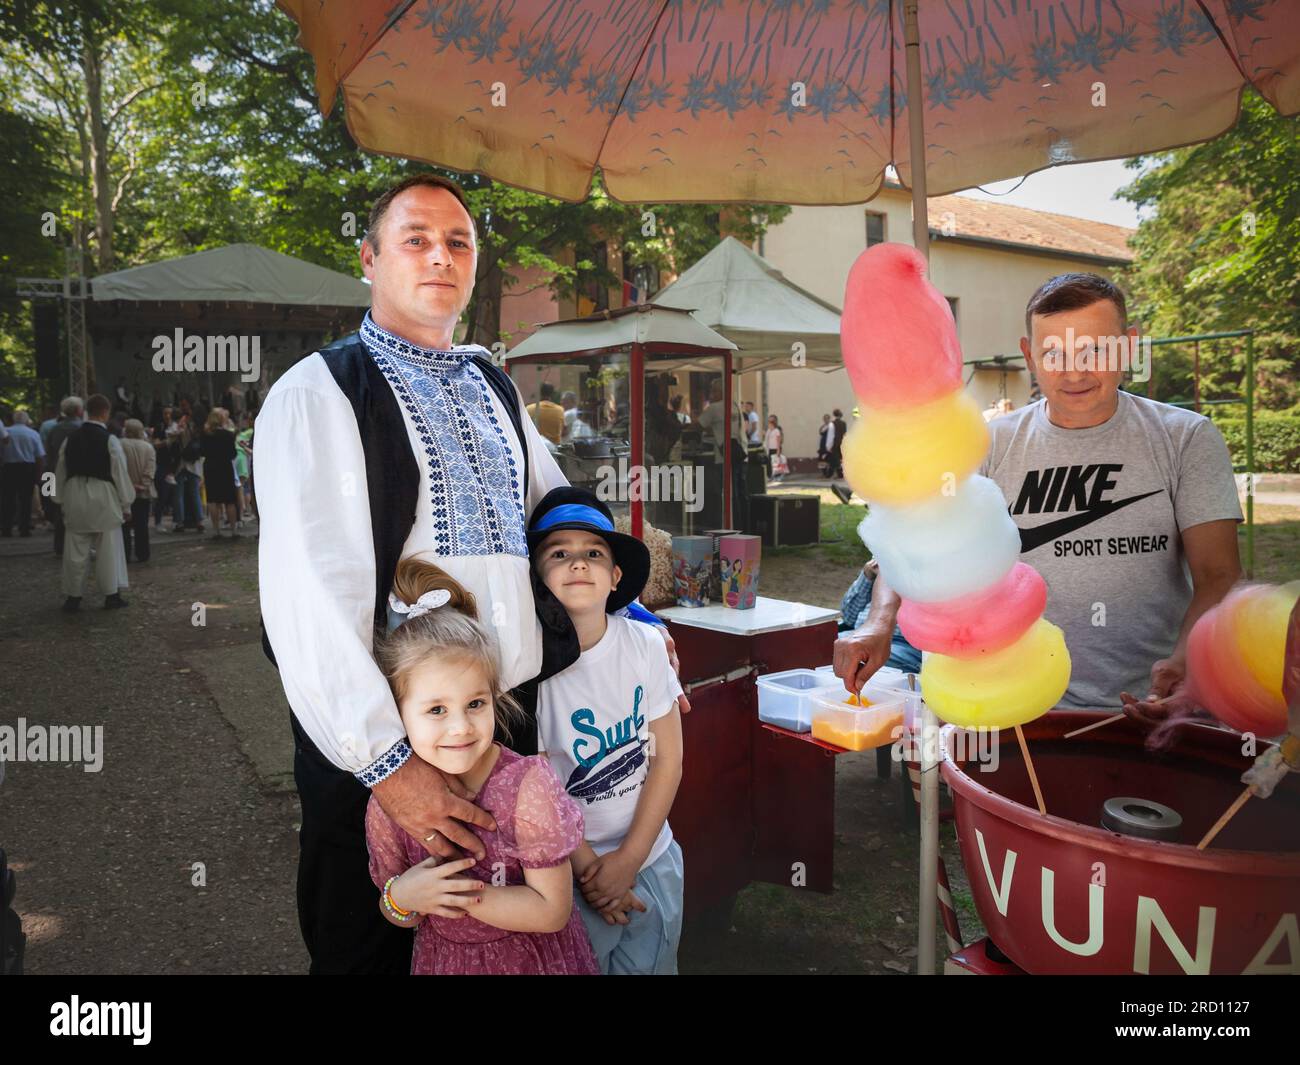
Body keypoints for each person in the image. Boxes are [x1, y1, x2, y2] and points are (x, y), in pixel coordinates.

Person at [256, 173, 687, 975]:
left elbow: (561, 517)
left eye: (459, 242)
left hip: (501, 730)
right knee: (371, 951)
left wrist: (632, 621)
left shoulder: (490, 384)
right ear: (369, 257)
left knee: (503, 948)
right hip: (381, 750)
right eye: (415, 238)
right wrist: (393, 769)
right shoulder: (319, 391)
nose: (440, 255)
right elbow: (306, 602)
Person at [836, 273, 1243, 715]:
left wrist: (1185, 663)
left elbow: (1219, 575)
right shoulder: (984, 445)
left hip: (1147, 704)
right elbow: (918, 547)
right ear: (1029, 355)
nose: (1074, 372)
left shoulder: (1185, 438)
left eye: (1096, 350)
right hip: (1012, 702)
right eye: (1054, 353)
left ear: (1129, 345)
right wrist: (878, 624)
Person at [364, 556, 599, 975]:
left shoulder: (527, 787)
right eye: (436, 709)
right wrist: (403, 898)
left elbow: (551, 911)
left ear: (496, 698)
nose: (460, 727)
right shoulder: (389, 802)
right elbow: (396, 908)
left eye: (476, 704)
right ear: (397, 714)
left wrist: (451, 896)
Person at [529, 487, 684, 974]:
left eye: (594, 553)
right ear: (535, 576)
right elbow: (537, 787)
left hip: (651, 855)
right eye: (559, 553)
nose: (578, 563)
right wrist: (594, 873)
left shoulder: (643, 645)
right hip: (569, 874)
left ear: (616, 577)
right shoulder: (527, 670)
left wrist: (630, 860)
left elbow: (668, 758)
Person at [53, 393, 133, 611]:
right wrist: (126, 503)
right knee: (108, 548)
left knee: (74, 550)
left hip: (74, 493)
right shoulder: (110, 441)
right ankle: (111, 594)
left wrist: (60, 499)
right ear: (105, 413)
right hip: (103, 494)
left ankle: (73, 596)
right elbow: (119, 472)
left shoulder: (70, 440)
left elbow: (61, 470)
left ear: (87, 410)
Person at [44, 397, 84, 556]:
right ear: (78, 411)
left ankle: (59, 546)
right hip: (75, 474)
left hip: (55, 473)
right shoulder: (81, 429)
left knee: (59, 509)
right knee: (78, 509)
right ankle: (76, 545)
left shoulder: (54, 429)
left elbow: (49, 451)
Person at [1, 410, 44, 538]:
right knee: (25, 499)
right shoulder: (33, 434)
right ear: (26, 421)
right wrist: (39, 473)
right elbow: (40, 456)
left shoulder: (6, 432)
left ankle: (6, 528)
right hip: (27, 468)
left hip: (8, 468)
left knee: (7, 499)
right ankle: (24, 528)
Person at [120, 419, 156, 563]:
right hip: (142, 491)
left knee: (124, 525)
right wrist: (144, 484)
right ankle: (143, 553)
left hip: (124, 490)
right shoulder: (148, 447)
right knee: (142, 524)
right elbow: (150, 468)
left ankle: (125, 553)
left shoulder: (120, 444)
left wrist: (127, 484)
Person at [200, 408, 239, 538]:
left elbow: (202, 452)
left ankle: (216, 531)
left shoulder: (205, 434)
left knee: (212, 499)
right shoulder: (227, 435)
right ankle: (233, 530)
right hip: (224, 467)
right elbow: (233, 454)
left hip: (210, 467)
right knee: (229, 500)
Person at [764, 414, 785, 482]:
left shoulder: (777, 430)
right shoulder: (768, 430)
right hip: (769, 449)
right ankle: (770, 476)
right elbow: (766, 439)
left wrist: (778, 450)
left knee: (776, 463)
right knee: (769, 463)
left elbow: (779, 440)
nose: (769, 422)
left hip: (775, 448)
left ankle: (778, 476)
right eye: (769, 420)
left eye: (771, 421)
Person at [827, 408, 846, 479]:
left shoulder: (832, 424)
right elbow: (844, 434)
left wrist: (828, 446)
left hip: (835, 444)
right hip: (842, 443)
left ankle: (830, 474)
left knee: (834, 459)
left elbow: (831, 436)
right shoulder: (844, 423)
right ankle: (840, 474)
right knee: (840, 459)